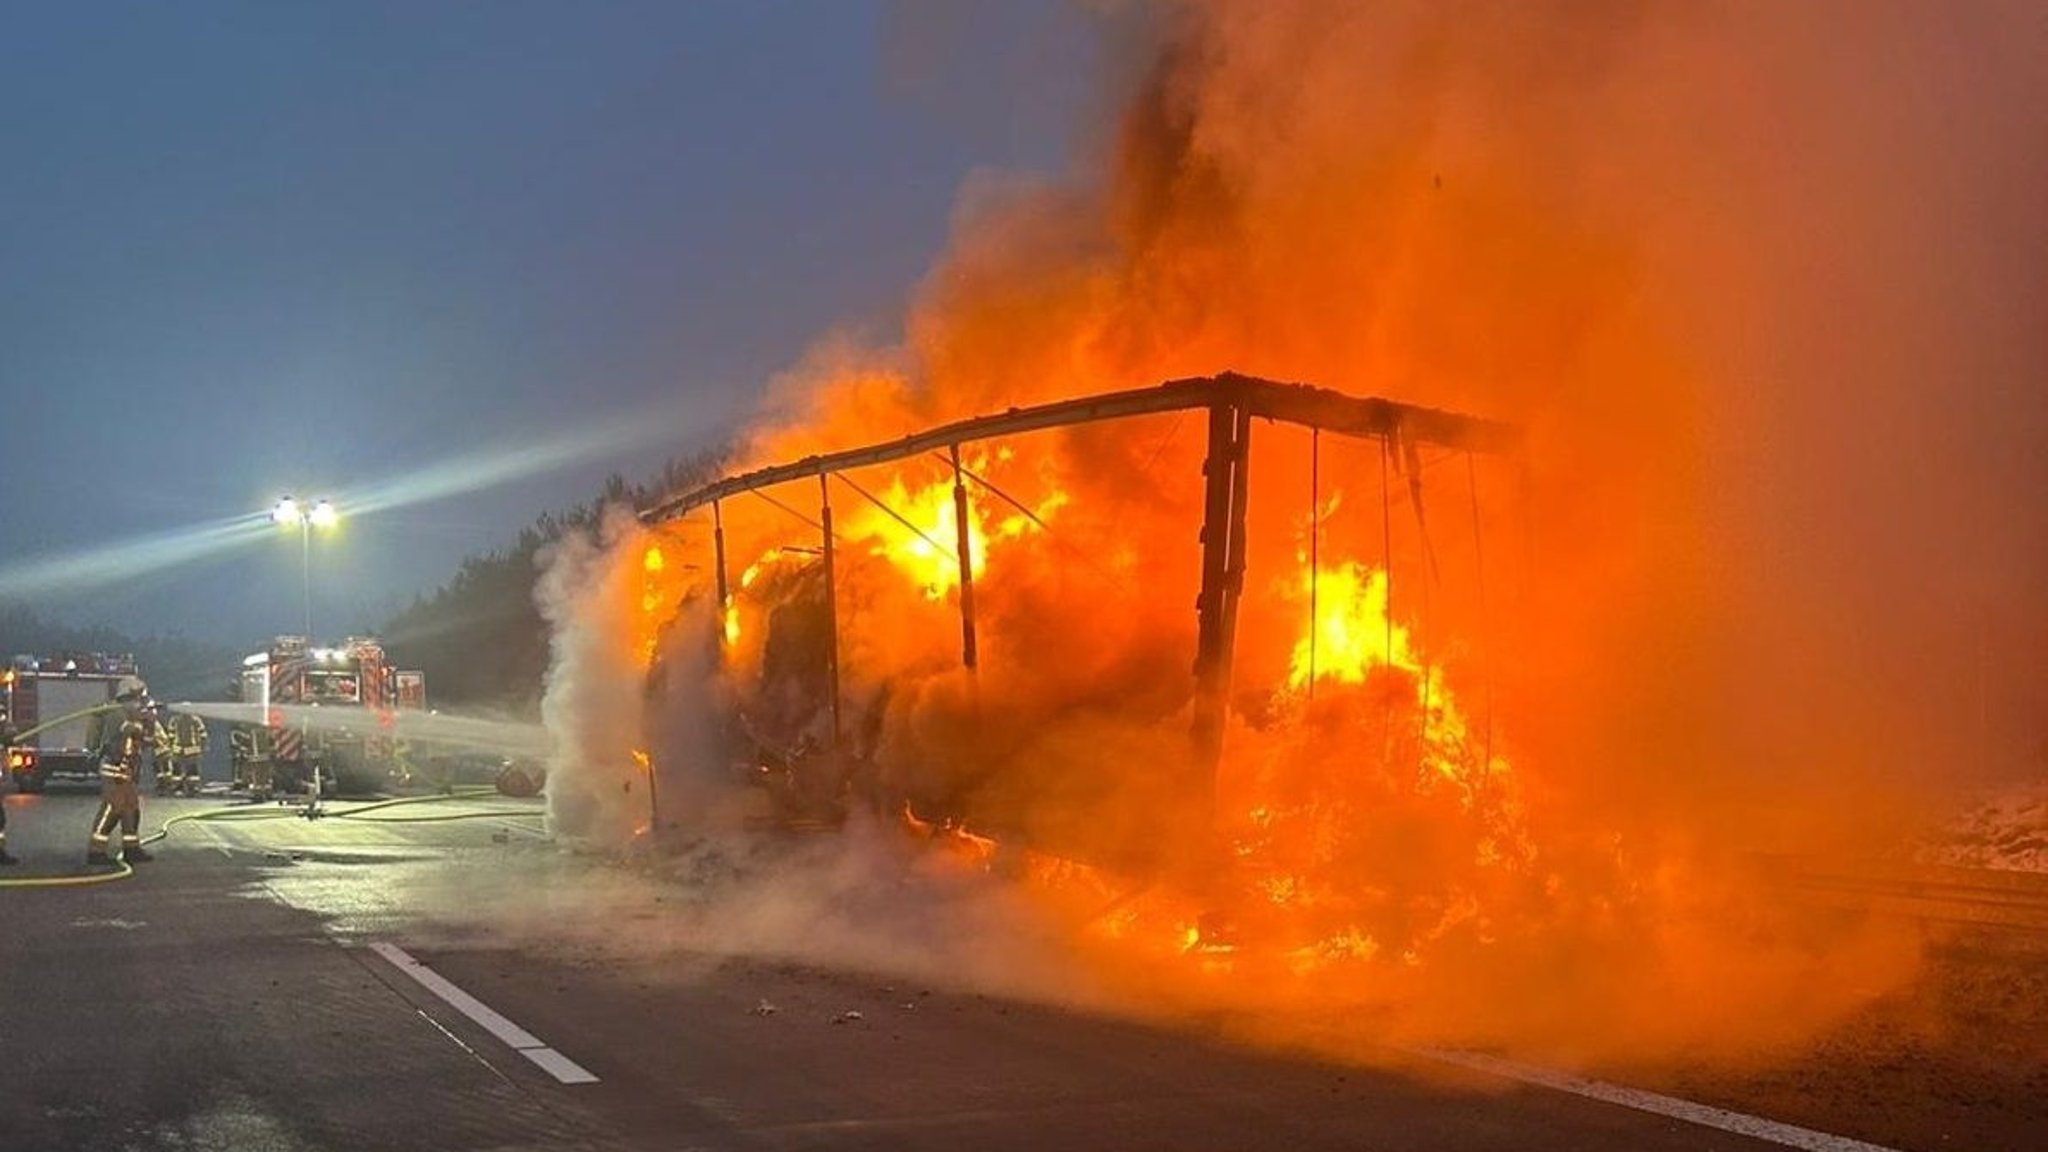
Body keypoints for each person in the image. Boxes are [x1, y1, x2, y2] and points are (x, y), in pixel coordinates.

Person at [87, 676, 157, 866]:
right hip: (114, 769)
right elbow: (128, 731)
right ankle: (96, 851)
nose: (141, 703)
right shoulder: (115, 713)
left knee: (130, 809)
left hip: (127, 771)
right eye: (138, 699)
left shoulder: (131, 713)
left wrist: (149, 722)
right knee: (112, 809)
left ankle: (131, 848)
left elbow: (148, 741)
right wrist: (144, 720)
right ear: (128, 696)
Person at [156, 708, 208, 797]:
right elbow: (171, 733)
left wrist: (203, 745)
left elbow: (202, 733)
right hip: (181, 748)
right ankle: (180, 788)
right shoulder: (179, 720)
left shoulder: (194, 720)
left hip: (189, 748)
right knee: (179, 770)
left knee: (191, 770)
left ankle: (190, 788)